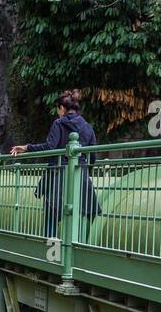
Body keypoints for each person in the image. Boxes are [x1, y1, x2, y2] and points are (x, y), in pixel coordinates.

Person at [10, 89, 100, 239]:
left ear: (62, 108)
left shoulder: (59, 123)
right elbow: (93, 156)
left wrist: (26, 148)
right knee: (83, 211)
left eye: (58, 109)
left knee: (52, 214)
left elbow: (50, 147)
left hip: (57, 176)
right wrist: (84, 172)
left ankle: (52, 254)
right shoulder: (87, 127)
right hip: (80, 177)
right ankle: (76, 249)